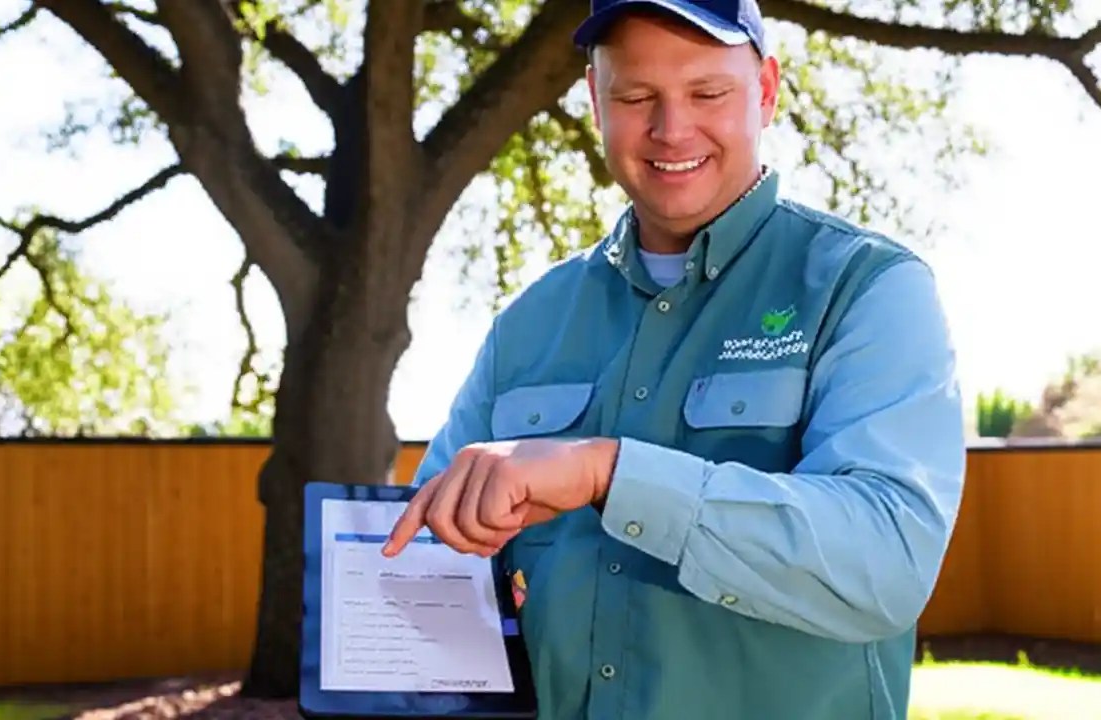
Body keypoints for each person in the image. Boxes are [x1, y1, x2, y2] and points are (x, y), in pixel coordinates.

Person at [381, 0, 967, 717]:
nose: (671, 128)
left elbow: (887, 565)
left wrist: (606, 473)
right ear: (595, 101)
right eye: (635, 97)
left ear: (766, 91)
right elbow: (437, 567)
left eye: (707, 93)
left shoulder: (867, 288)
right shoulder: (528, 325)